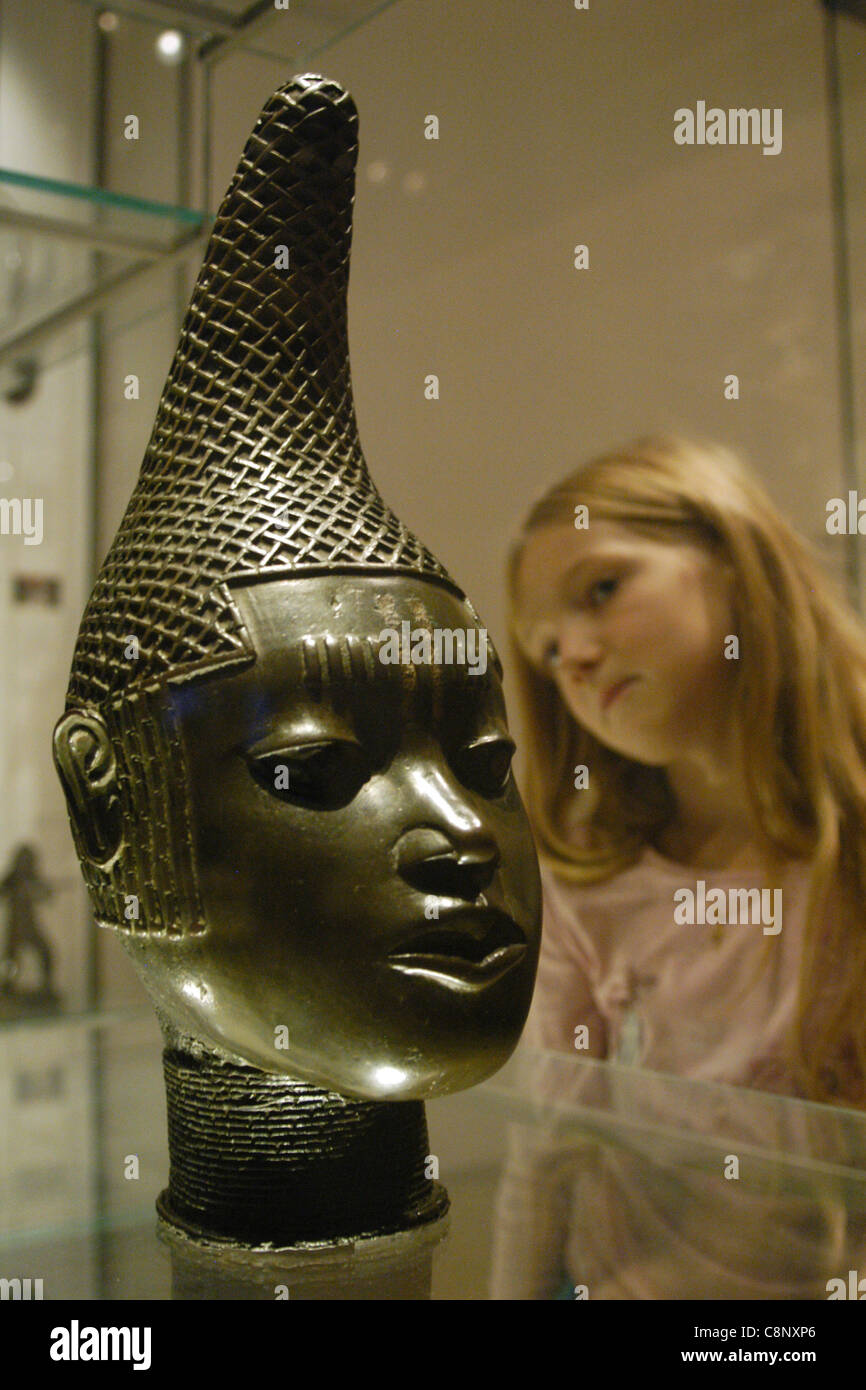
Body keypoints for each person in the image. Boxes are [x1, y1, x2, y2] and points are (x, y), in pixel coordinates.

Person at [489, 433, 866, 1298]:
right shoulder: (589, 887)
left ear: (733, 560)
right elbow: (544, 1156)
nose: (573, 658)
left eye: (602, 590)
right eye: (546, 653)